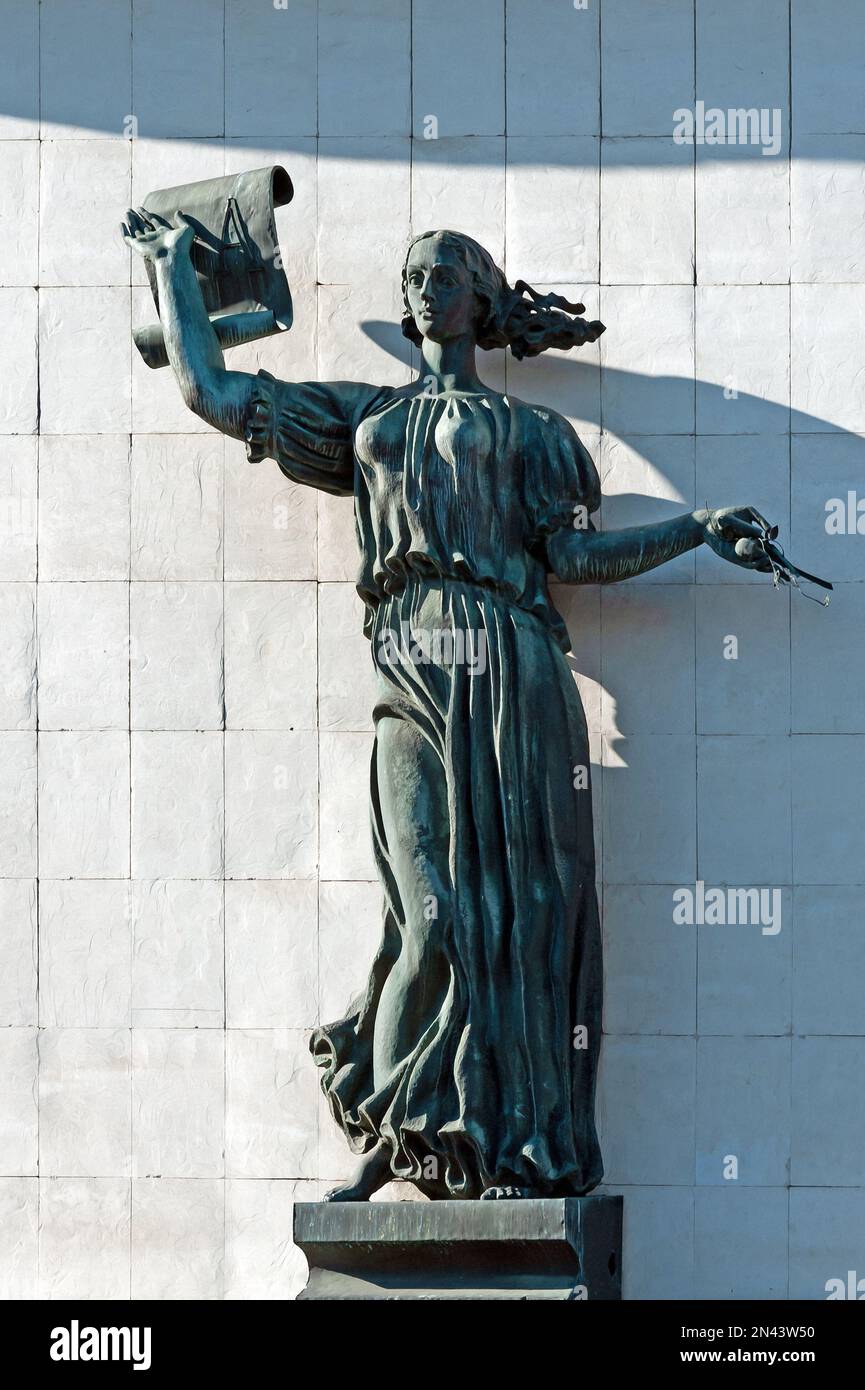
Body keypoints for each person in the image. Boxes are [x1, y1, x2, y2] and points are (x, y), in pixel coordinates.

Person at [122, 209, 773, 1200]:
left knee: (514, 917)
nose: (425, 285)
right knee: (425, 912)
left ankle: (505, 1148)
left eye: (448, 271)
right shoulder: (365, 420)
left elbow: (573, 557)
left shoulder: (532, 434)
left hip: (512, 677)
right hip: (411, 672)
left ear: (482, 298)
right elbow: (213, 390)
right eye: (414, 273)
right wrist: (174, 265)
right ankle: (397, 1137)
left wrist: (694, 527)